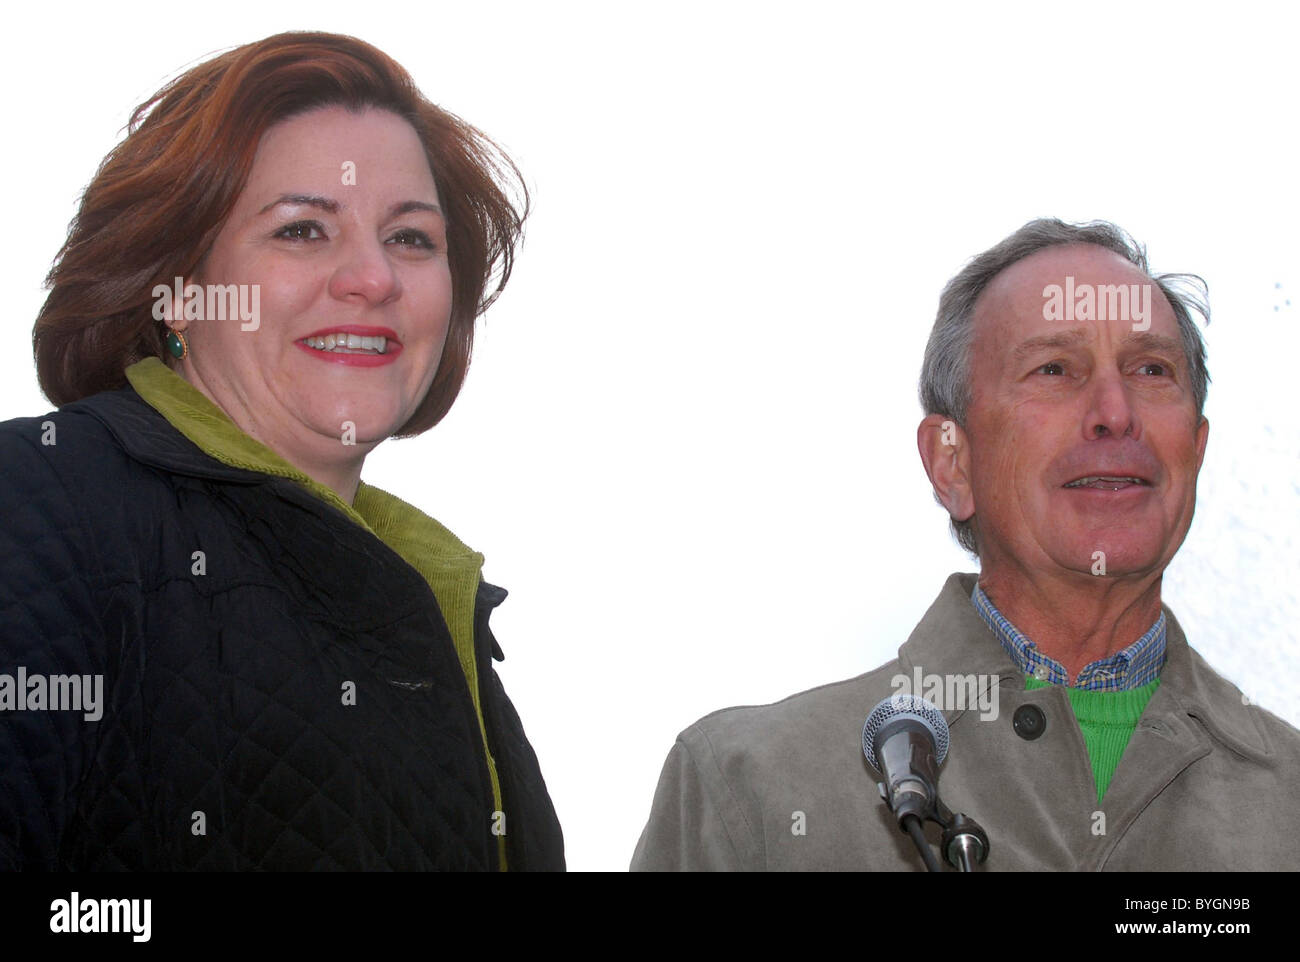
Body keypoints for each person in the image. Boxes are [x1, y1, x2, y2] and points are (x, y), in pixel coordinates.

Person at [0, 32, 563, 871]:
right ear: (177, 289)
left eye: (411, 238)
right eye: (303, 229)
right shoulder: (37, 504)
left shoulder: (438, 605)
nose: (373, 278)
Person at [631, 218, 1300, 871]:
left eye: (1151, 370)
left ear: (1197, 449)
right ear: (951, 462)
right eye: (1054, 369)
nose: (1115, 411)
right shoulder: (749, 790)